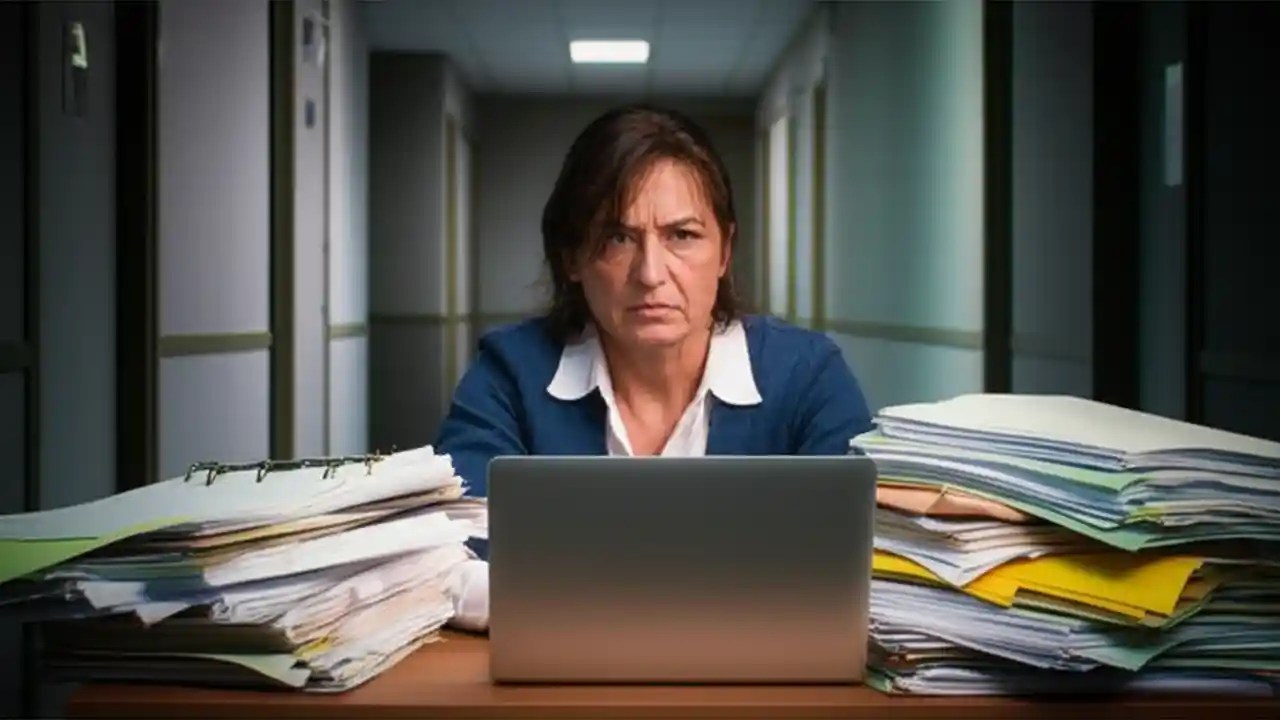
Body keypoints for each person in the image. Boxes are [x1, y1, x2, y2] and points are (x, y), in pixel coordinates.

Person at [436, 104, 873, 631]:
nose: (650, 273)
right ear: (572, 257)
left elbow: (858, 566)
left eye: (682, 236)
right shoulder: (510, 372)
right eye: (618, 238)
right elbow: (448, 555)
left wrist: (585, 593)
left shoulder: (807, 376)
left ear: (725, 251)